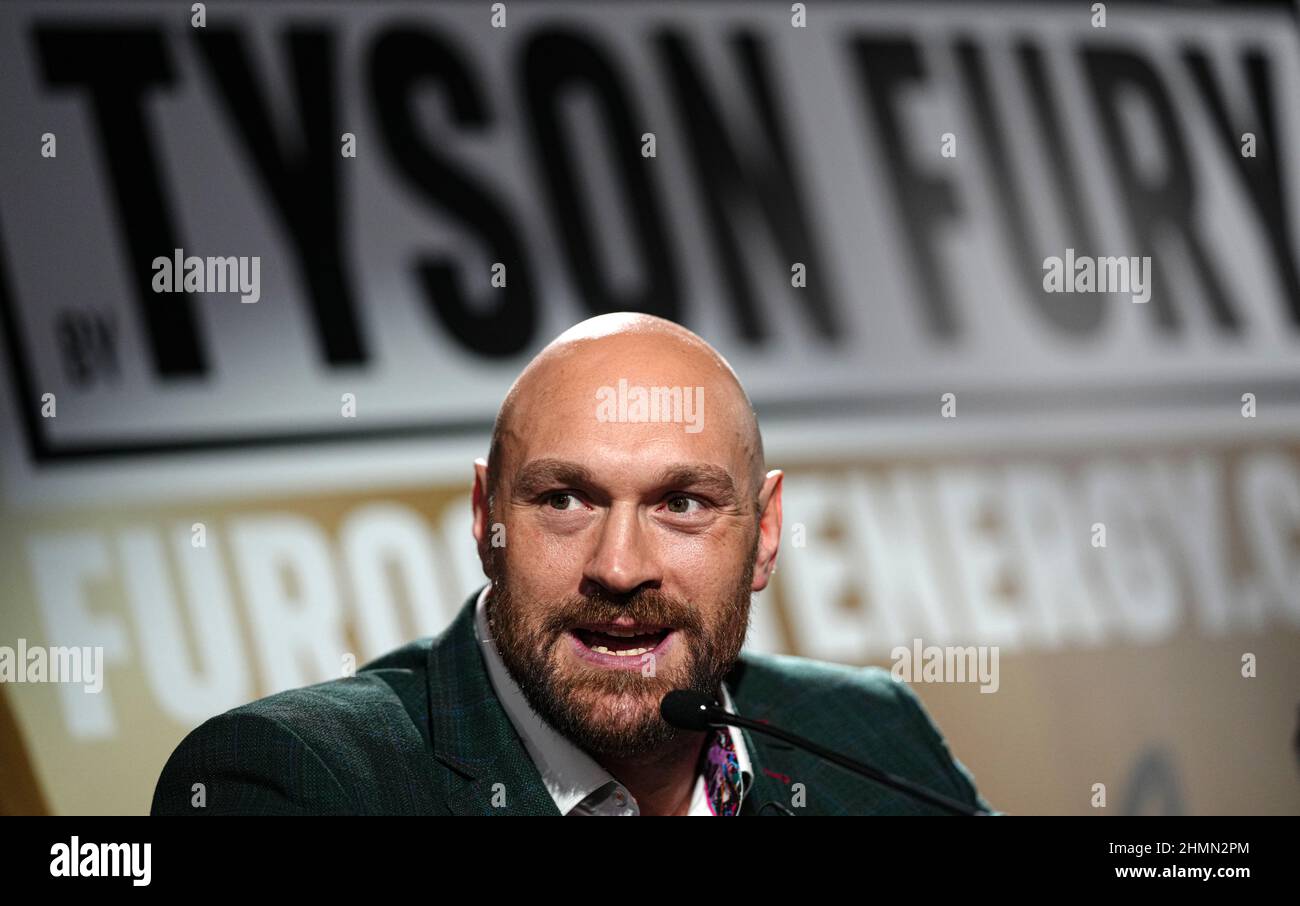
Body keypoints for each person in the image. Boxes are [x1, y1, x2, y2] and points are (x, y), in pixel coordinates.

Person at [151, 313, 992, 816]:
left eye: (682, 504)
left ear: (766, 532)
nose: (620, 569)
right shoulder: (298, 782)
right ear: (487, 520)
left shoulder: (870, 735)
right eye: (564, 501)